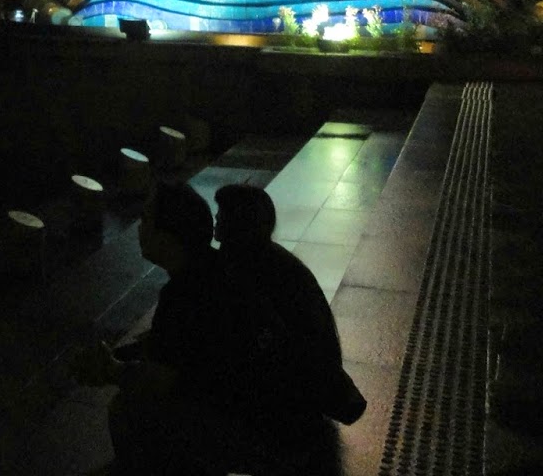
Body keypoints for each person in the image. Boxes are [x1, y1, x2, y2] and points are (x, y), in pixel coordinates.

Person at [69, 181, 275, 474]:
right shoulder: (214, 269)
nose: (139, 228)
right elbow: (183, 349)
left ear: (167, 237)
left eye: (146, 220)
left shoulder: (184, 294)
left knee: (128, 409)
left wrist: (110, 369)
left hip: (247, 430)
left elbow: (160, 379)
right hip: (265, 410)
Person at [214, 183, 366, 429]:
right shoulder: (272, 259)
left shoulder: (249, 271)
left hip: (289, 393)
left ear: (237, 222)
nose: (216, 217)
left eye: (222, 213)